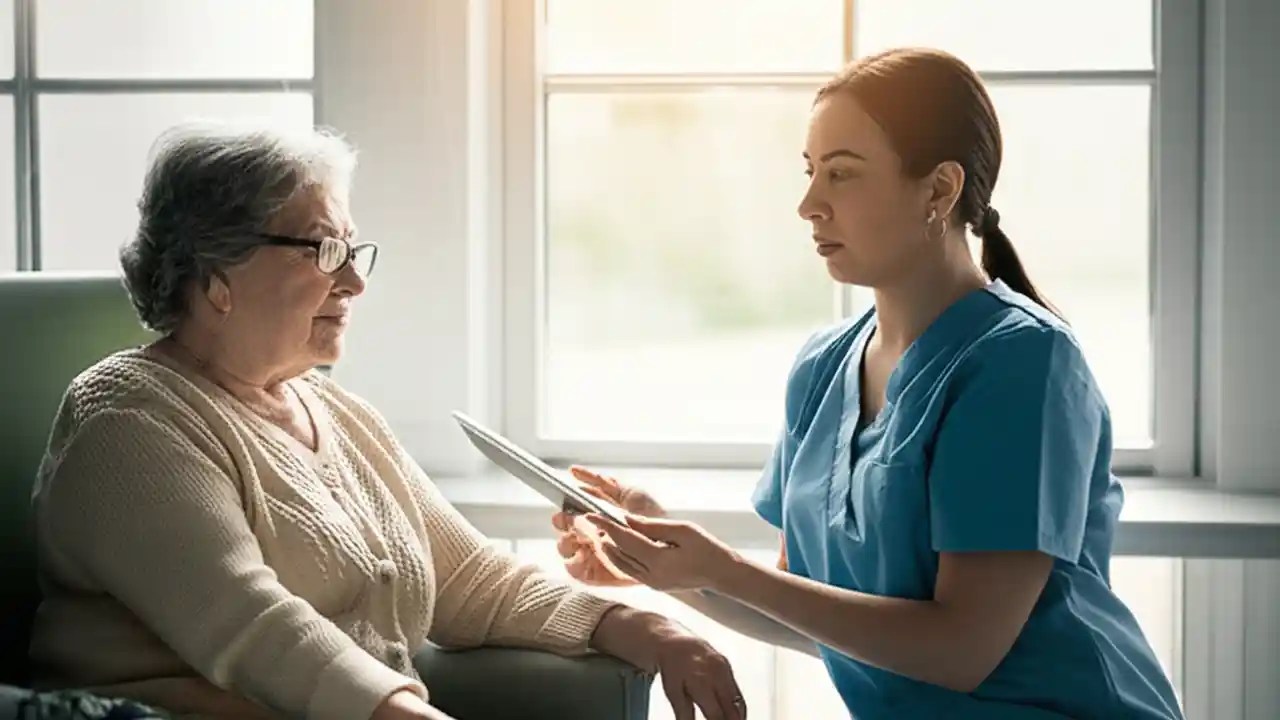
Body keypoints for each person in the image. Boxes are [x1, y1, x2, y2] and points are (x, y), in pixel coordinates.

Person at [28, 123, 746, 720]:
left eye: (352, 249)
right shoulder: (127, 422)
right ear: (218, 274)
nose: (354, 281)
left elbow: (470, 578)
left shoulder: (335, 410)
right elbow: (257, 627)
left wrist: (644, 628)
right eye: (322, 250)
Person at [552, 48, 1185, 719]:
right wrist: (663, 565)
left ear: (939, 189)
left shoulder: (1023, 365)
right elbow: (812, 617)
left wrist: (722, 570)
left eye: (842, 175)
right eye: (809, 172)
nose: (808, 205)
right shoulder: (823, 367)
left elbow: (963, 650)